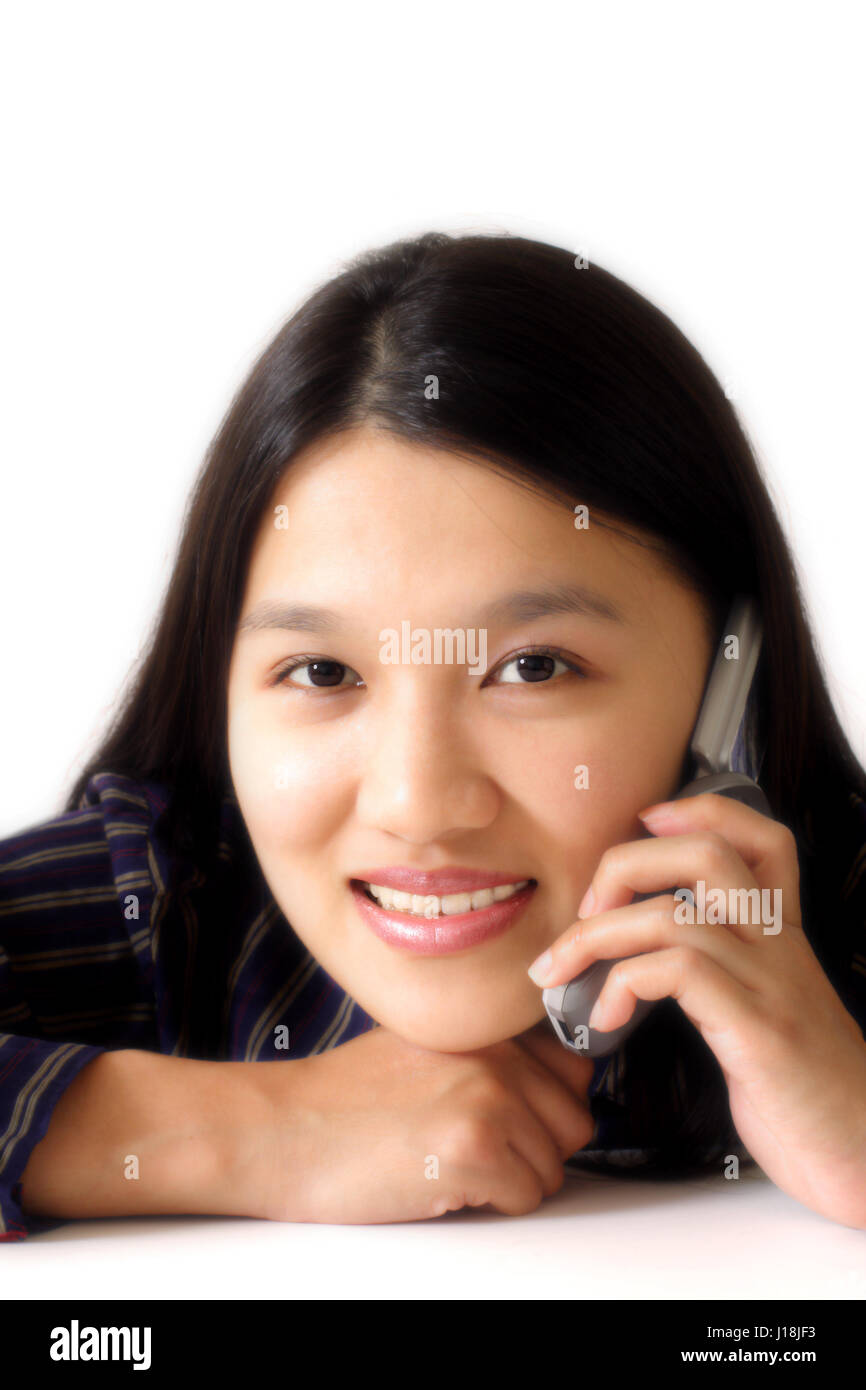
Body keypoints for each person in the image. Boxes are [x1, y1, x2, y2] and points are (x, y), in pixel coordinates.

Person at [3, 231, 865, 1240]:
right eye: (322, 673)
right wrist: (264, 1132)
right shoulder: (170, 886)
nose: (415, 802)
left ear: (730, 672)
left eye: (532, 668)